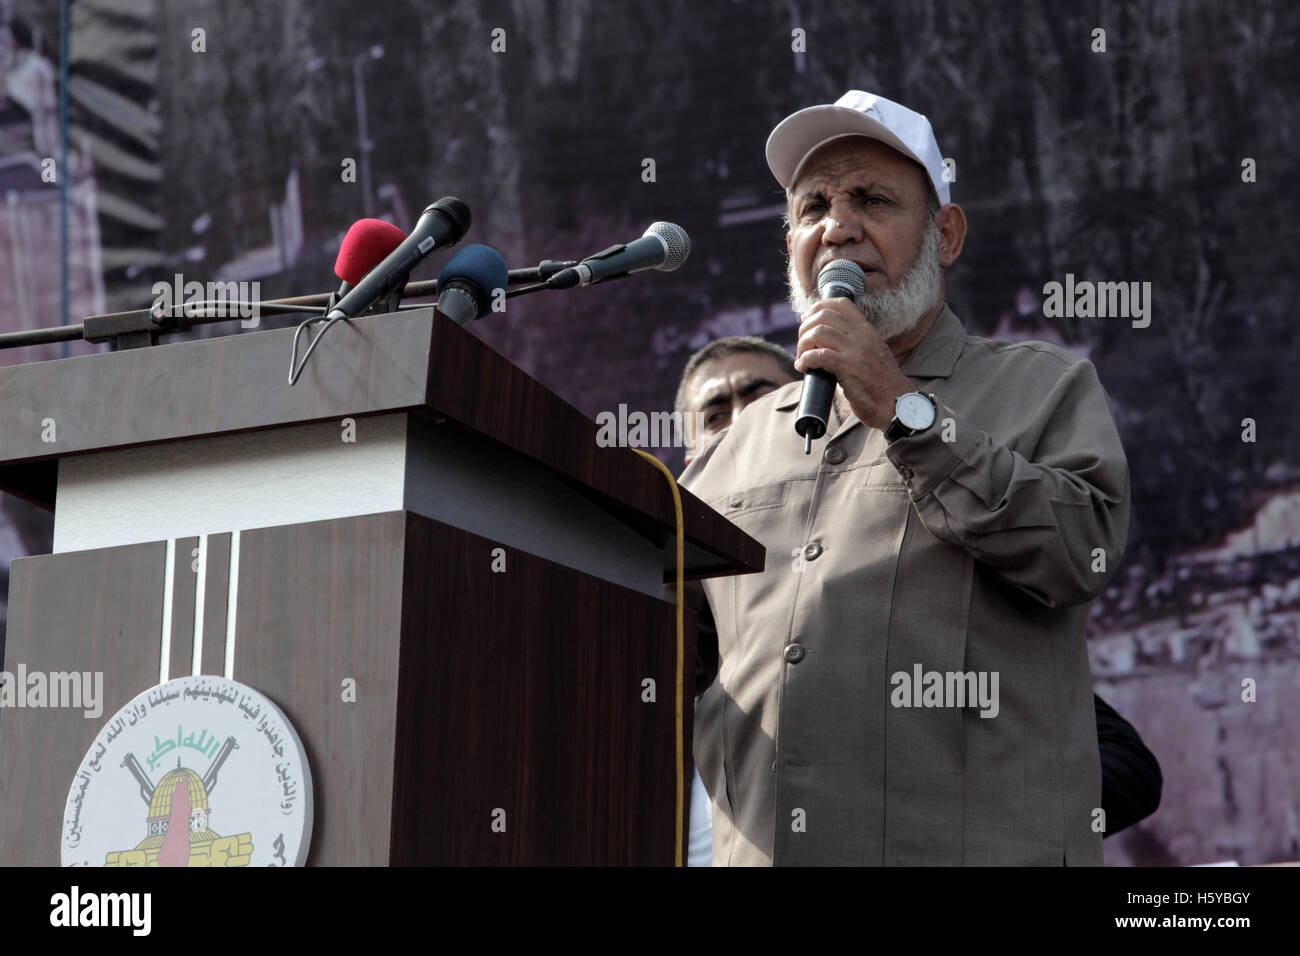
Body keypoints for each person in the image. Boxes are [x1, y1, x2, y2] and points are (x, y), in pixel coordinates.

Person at [677, 90, 1133, 865]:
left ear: (945, 236)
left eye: (871, 199)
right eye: (813, 206)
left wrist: (899, 406)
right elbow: (647, 660)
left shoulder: (1044, 390)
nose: (838, 226)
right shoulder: (729, 450)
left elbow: (1079, 551)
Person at [676, 337, 1162, 865]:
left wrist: (979, 821)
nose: (742, 421)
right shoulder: (697, 530)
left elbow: (1124, 762)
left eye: (761, 395)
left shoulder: (1024, 401)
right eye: (716, 413)